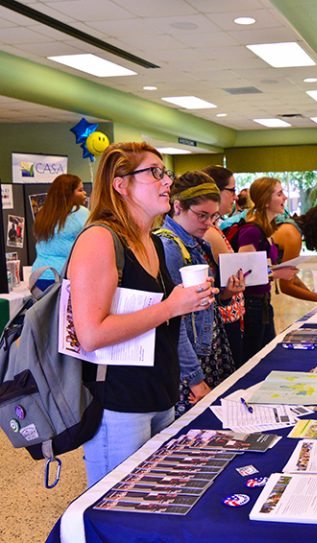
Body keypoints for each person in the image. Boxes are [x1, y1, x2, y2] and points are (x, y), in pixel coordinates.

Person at [67, 142, 214, 486]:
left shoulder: (153, 241)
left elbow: (160, 320)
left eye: (166, 173)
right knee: (116, 505)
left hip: (160, 393)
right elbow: (90, 333)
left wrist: (189, 303)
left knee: (151, 500)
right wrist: (171, 306)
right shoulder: (100, 239)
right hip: (118, 402)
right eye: (155, 173)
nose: (167, 182)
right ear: (121, 184)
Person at [156, 170, 245, 416]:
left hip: (209, 346)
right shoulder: (169, 247)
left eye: (212, 217)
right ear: (177, 207)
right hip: (191, 357)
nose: (207, 223)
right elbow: (175, 322)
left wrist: (226, 292)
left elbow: (202, 305)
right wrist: (194, 376)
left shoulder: (198, 242)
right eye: (201, 215)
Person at [236, 177, 298, 360]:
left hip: (263, 302)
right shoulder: (251, 231)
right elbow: (244, 274)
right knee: (255, 358)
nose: (285, 198)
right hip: (252, 305)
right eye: (279, 194)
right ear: (265, 200)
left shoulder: (266, 229)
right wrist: (279, 273)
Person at [202, 165, 246, 365]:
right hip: (224, 318)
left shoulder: (215, 228)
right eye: (232, 190)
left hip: (229, 313)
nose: (235, 197)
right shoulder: (210, 232)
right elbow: (235, 271)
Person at [271, 203, 317, 303]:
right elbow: (286, 286)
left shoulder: (295, 228)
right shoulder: (293, 236)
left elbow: (291, 277)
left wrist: (315, 295)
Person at [31, 173, 89, 291]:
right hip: (63, 276)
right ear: (69, 193)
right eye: (80, 190)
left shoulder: (43, 214)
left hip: (38, 276)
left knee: (45, 310)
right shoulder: (80, 213)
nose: (85, 193)